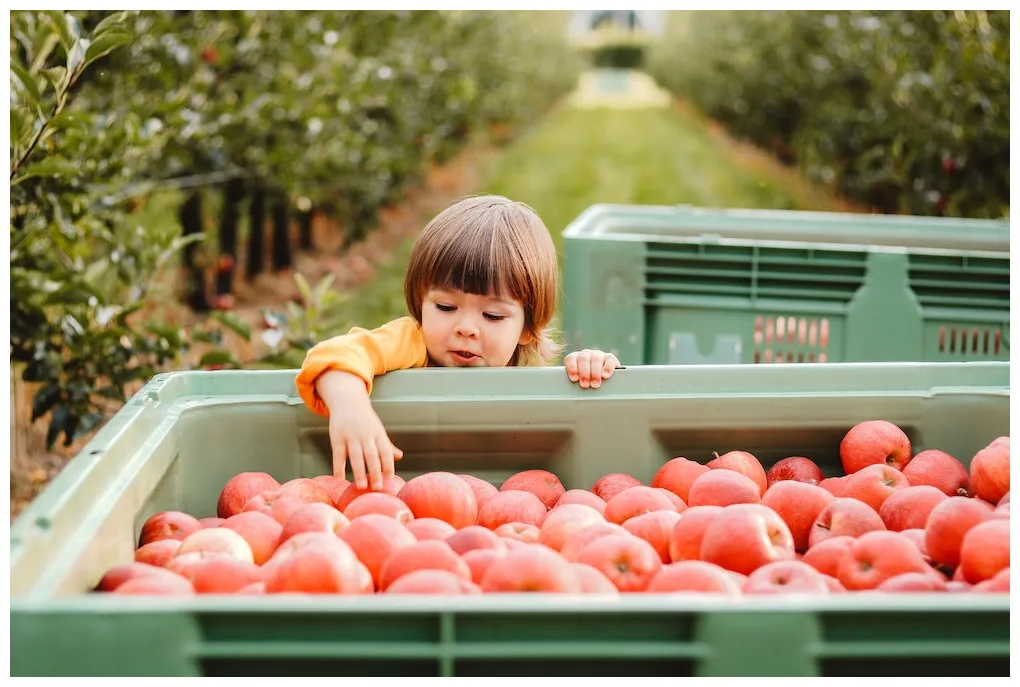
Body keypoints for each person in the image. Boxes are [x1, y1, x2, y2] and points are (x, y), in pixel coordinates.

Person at [295, 194, 621, 491]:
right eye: (446, 307)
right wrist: (351, 408)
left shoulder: (526, 369)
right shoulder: (413, 343)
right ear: (420, 302)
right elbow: (334, 354)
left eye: (492, 316)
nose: (466, 328)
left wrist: (589, 366)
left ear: (527, 327)